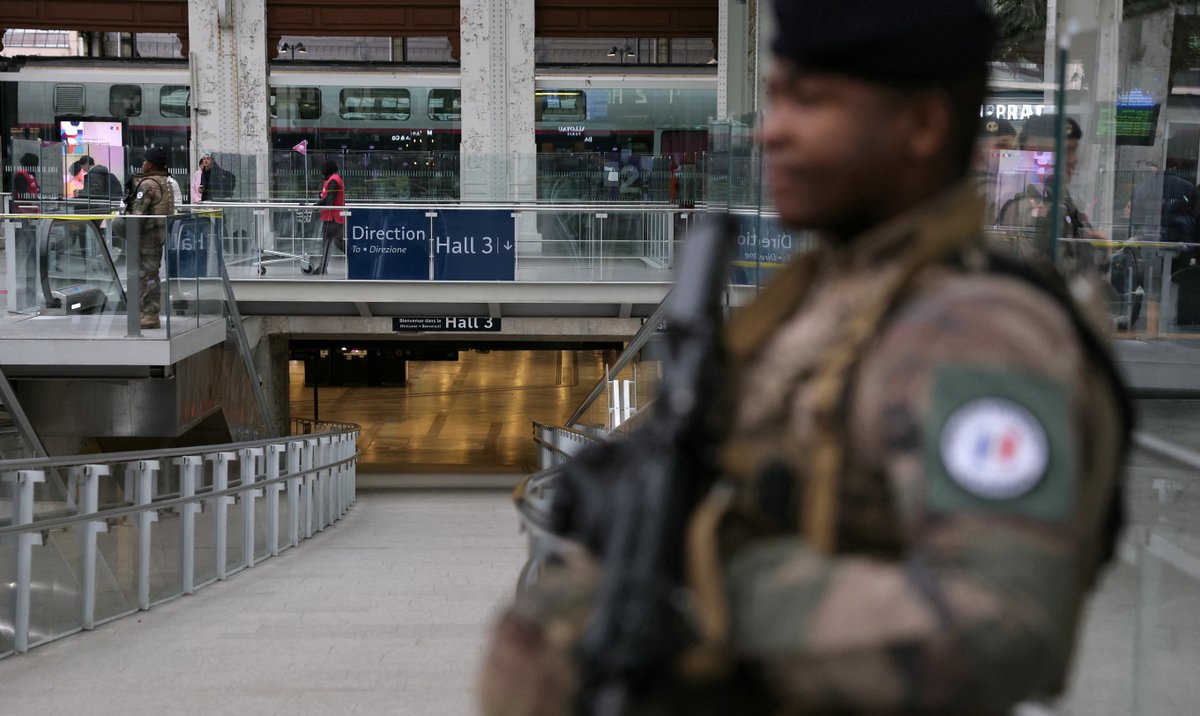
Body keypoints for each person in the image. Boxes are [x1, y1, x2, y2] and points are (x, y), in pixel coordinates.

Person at [478, 1, 1131, 715]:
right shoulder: (825, 298)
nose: (771, 131)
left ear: (922, 125)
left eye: (811, 102)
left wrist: (697, 587)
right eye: (775, 98)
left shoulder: (976, 332)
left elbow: (1003, 623)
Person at [127, 146, 176, 329]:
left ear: (151, 164)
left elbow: (138, 214)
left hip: (147, 237)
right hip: (158, 234)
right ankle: (149, 312)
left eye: (145, 160)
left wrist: (126, 222)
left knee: (147, 276)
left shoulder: (148, 184)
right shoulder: (166, 181)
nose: (143, 163)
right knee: (151, 274)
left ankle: (149, 313)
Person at [302, 159, 346, 275]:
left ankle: (323, 268)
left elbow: (329, 199)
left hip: (333, 217)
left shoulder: (333, 181)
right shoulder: (333, 180)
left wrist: (315, 206)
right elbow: (327, 196)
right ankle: (323, 267)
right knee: (335, 242)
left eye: (323, 170)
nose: (322, 172)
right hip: (332, 216)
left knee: (329, 242)